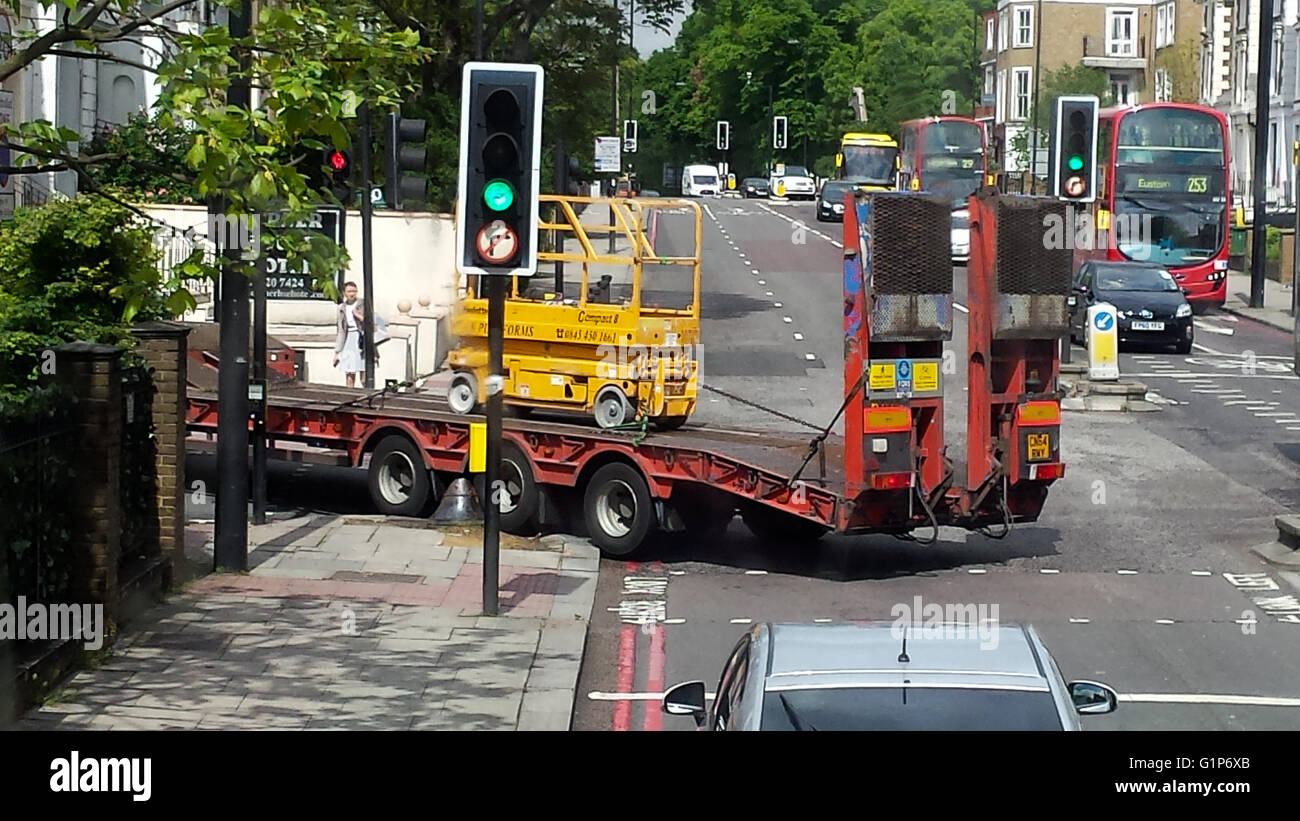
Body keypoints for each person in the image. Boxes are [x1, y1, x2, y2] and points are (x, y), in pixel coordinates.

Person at [333, 282, 368, 388]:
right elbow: (341, 330)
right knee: (349, 374)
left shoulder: (363, 304)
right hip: (349, 339)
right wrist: (337, 352)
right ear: (344, 293)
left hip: (362, 339)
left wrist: (358, 316)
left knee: (364, 374)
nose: (352, 294)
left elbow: (371, 323)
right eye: (349, 291)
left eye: (354, 291)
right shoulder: (341, 308)